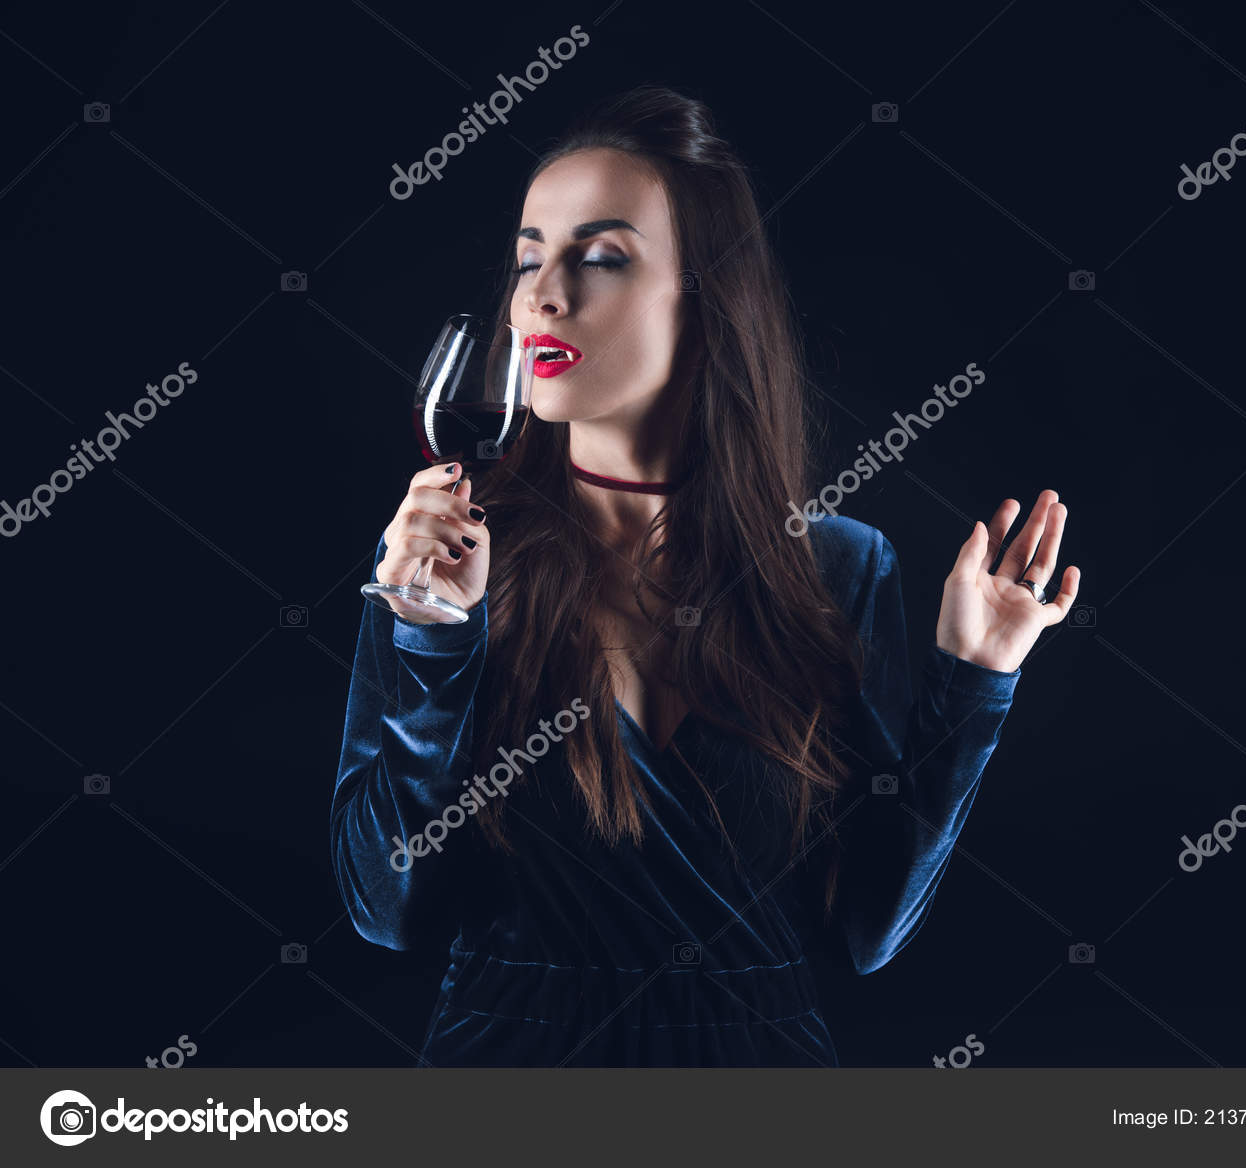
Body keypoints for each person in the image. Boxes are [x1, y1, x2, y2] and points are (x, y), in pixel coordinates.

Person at [331, 85, 1081, 1066]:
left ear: (707, 294)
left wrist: (974, 680)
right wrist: (431, 641)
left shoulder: (840, 566)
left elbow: (867, 929)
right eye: (527, 259)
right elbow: (385, 910)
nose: (541, 297)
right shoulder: (445, 562)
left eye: (601, 257)